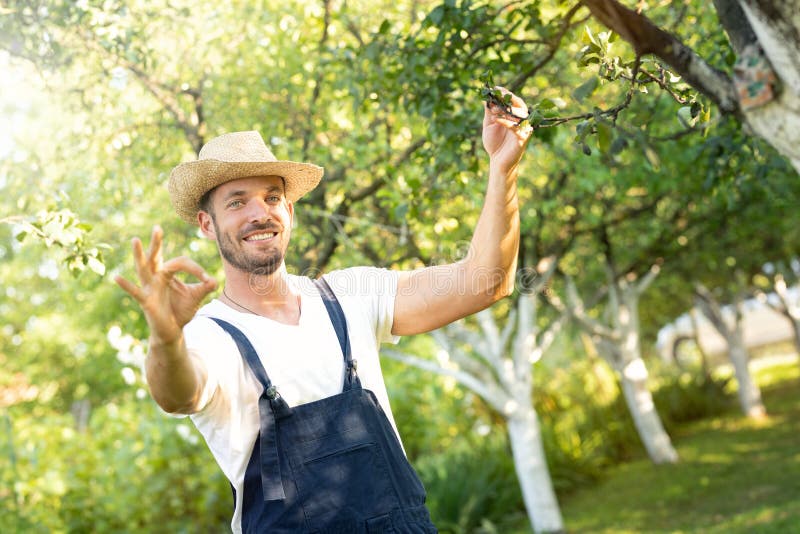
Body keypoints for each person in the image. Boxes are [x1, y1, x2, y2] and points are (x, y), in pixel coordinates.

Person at [114, 87, 532, 534]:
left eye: (272, 198)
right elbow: (177, 393)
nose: (259, 213)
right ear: (206, 223)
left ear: (289, 210)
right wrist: (165, 336)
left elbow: (485, 282)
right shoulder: (207, 336)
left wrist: (501, 168)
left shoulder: (348, 296)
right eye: (236, 202)